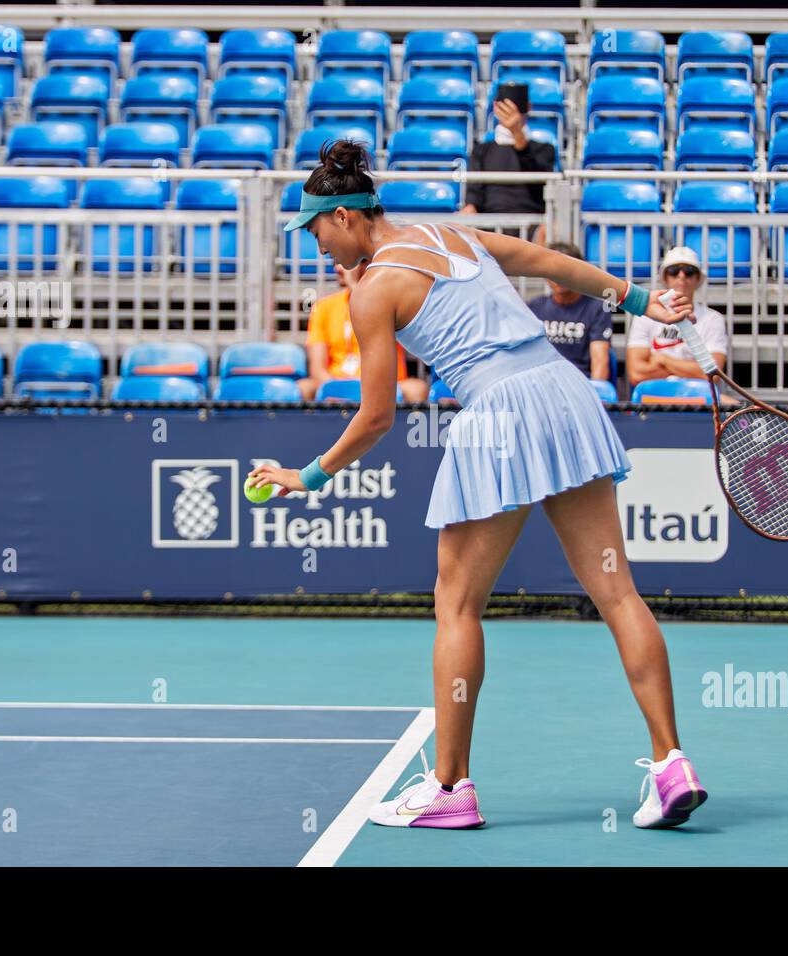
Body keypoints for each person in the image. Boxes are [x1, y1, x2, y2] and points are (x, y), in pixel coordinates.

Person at [247, 139, 709, 831]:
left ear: (343, 216)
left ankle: (451, 787)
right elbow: (550, 263)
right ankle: (673, 763)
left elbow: (377, 417)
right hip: (566, 392)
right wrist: (644, 301)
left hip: (498, 416)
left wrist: (307, 476)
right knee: (616, 590)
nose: (315, 246)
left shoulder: (372, 291)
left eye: (314, 230)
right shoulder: (447, 230)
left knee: (457, 604)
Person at [298, 261, 429, 403]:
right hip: (337, 380)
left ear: (365, 266)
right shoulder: (323, 307)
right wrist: (339, 389)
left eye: (343, 263)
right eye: (335, 263)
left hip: (385, 383)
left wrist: (356, 289)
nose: (337, 268)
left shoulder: (388, 302)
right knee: (304, 387)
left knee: (417, 389)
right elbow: (317, 369)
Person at [625, 246, 728, 392]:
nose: (681, 276)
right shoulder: (644, 317)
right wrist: (691, 369)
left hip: (696, 398)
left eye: (689, 271)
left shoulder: (713, 319)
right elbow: (636, 374)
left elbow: (713, 375)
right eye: (674, 271)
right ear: (665, 277)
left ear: (698, 278)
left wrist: (662, 360)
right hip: (654, 397)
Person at [460, 86, 555, 244]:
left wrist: (517, 133)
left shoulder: (544, 149)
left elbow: (539, 182)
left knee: (550, 230)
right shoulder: (482, 150)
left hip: (532, 226)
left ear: (528, 108)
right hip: (489, 227)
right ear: (496, 108)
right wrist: (470, 207)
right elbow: (474, 193)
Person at [525, 241, 615, 382]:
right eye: (552, 270)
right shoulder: (534, 307)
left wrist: (596, 395)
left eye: (563, 270)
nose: (558, 276)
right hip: (540, 384)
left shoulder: (597, 308)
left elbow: (600, 361)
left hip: (580, 384)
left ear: (577, 272)